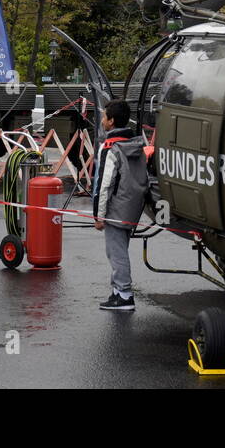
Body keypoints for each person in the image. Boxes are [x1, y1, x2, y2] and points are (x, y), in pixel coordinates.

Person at [92, 99, 150, 312]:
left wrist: (98, 216)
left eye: (105, 117)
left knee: (116, 253)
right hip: (132, 205)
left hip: (116, 208)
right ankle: (117, 292)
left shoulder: (110, 147)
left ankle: (125, 295)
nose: (102, 120)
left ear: (111, 121)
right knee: (119, 249)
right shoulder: (135, 143)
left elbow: (103, 183)